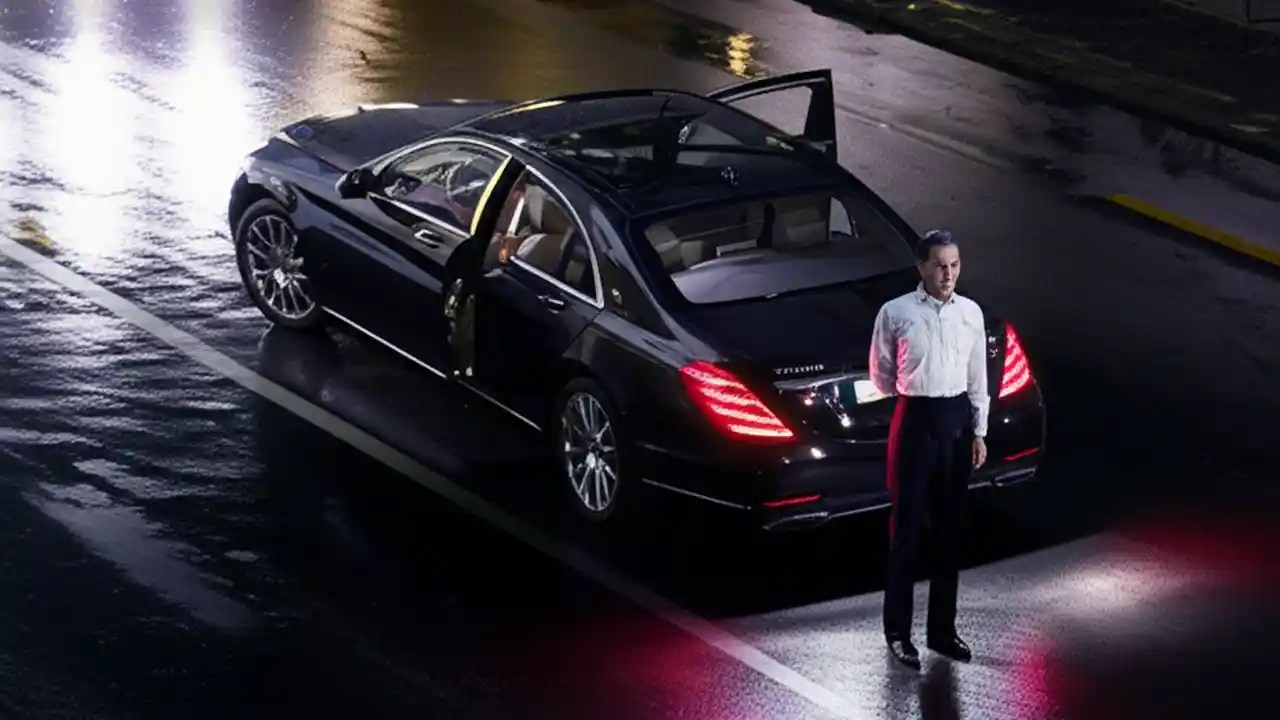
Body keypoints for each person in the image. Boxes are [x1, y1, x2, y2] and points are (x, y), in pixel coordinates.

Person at [868, 229, 989, 670]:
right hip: (916, 418)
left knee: (950, 531)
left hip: (957, 421)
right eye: (940, 264)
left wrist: (980, 431)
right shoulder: (896, 312)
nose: (948, 273)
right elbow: (880, 373)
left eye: (954, 264)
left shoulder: (970, 314)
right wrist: (911, 391)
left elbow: (979, 377)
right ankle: (898, 632)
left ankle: (942, 630)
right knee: (908, 531)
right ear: (921, 267)